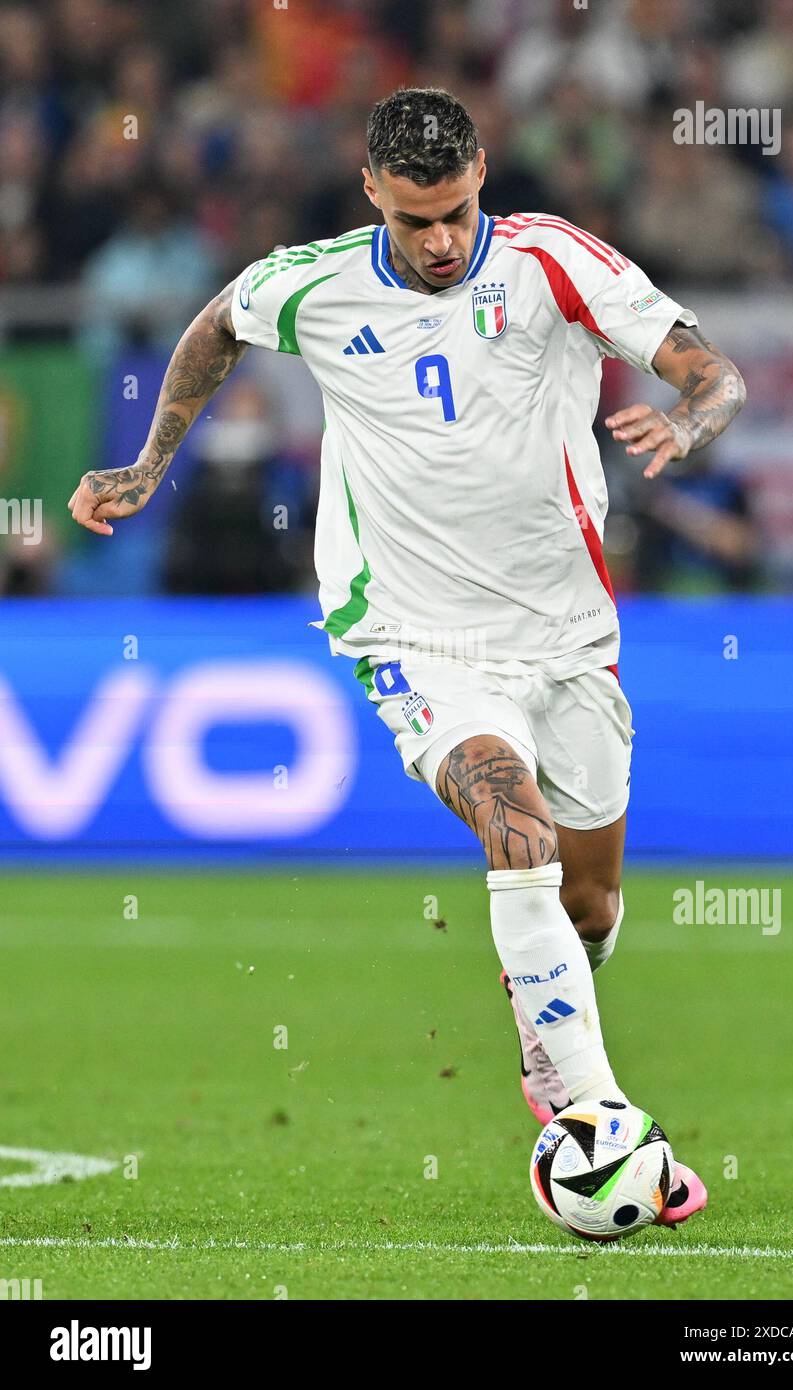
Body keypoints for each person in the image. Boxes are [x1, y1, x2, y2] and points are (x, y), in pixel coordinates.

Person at [68, 87, 746, 1226]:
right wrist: (148, 463)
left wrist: (685, 425)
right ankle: (598, 1117)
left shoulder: (551, 262)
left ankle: (550, 1049)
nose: (439, 242)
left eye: (457, 213)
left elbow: (711, 371)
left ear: (481, 172)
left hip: (567, 631)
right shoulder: (316, 280)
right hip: (415, 633)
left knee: (586, 904)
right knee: (512, 825)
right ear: (373, 189)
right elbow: (216, 327)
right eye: (415, 219)